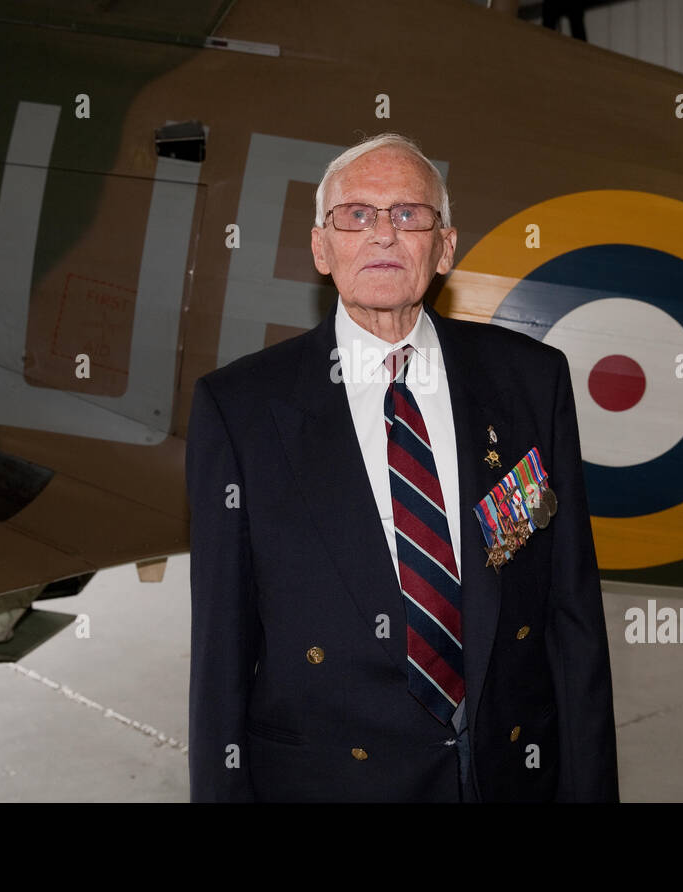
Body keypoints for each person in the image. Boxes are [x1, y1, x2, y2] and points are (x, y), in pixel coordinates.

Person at [186, 132, 619, 802]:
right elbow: (221, 658)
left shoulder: (533, 382)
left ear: (444, 247)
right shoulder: (241, 411)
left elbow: (573, 621)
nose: (383, 234)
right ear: (321, 248)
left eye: (409, 214)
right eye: (356, 215)